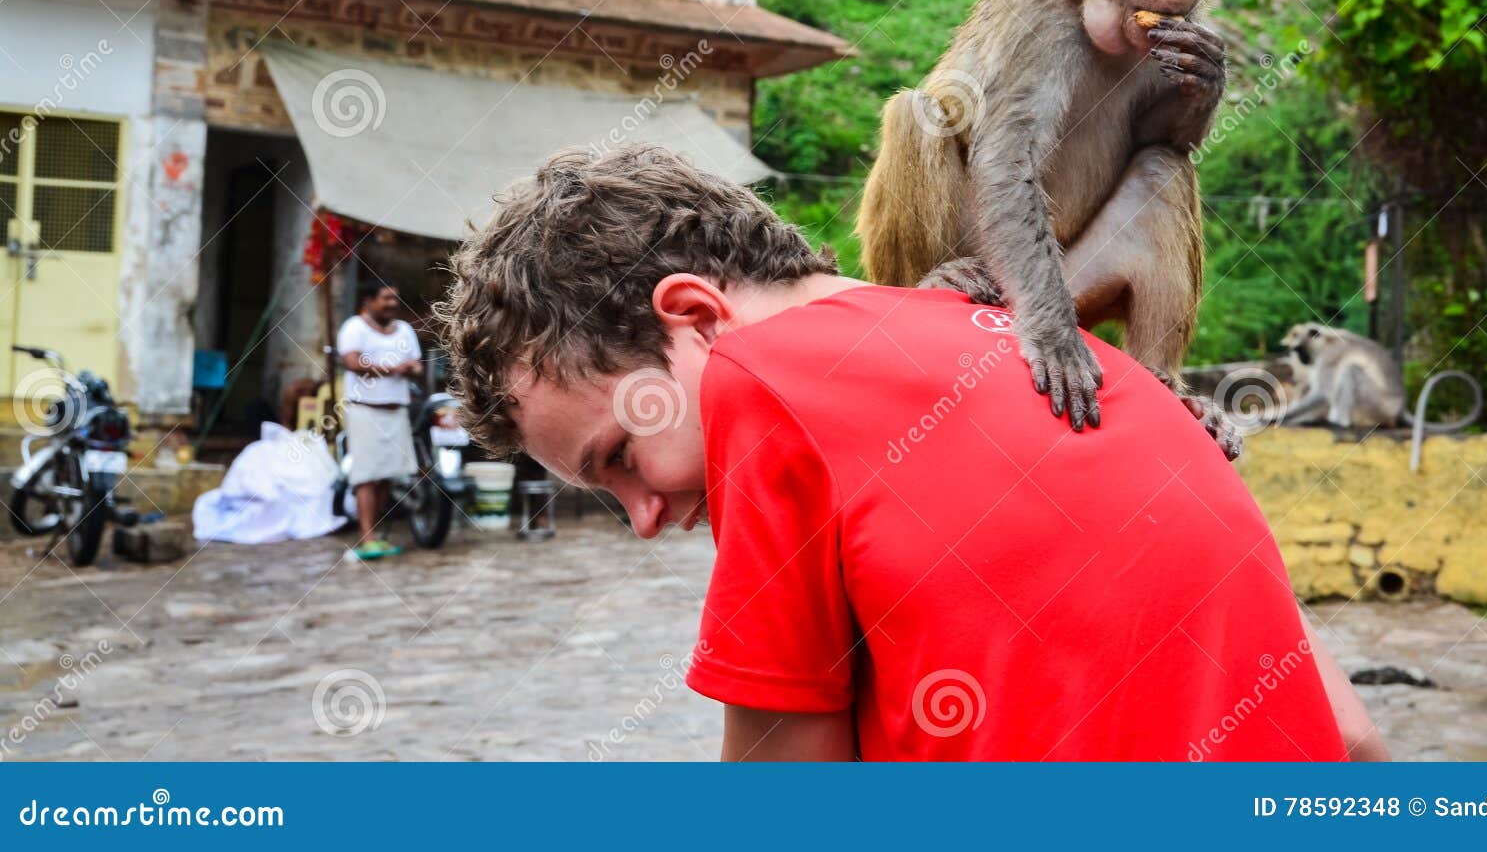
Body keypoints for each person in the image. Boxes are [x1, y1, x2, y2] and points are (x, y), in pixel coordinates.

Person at [442, 147, 1385, 762]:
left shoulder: (760, 382)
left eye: (619, 459)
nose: (644, 519)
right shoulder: (1095, 366)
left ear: (697, 318)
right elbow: (1349, 739)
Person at [337, 279, 423, 562]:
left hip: (396, 410)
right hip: (365, 411)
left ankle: (377, 534)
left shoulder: (405, 330)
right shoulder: (354, 328)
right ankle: (366, 538)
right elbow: (352, 362)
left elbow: (417, 364)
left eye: (395, 298)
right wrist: (392, 368)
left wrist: (410, 369)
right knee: (366, 476)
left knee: (388, 473)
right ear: (368, 301)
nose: (392, 303)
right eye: (386, 298)